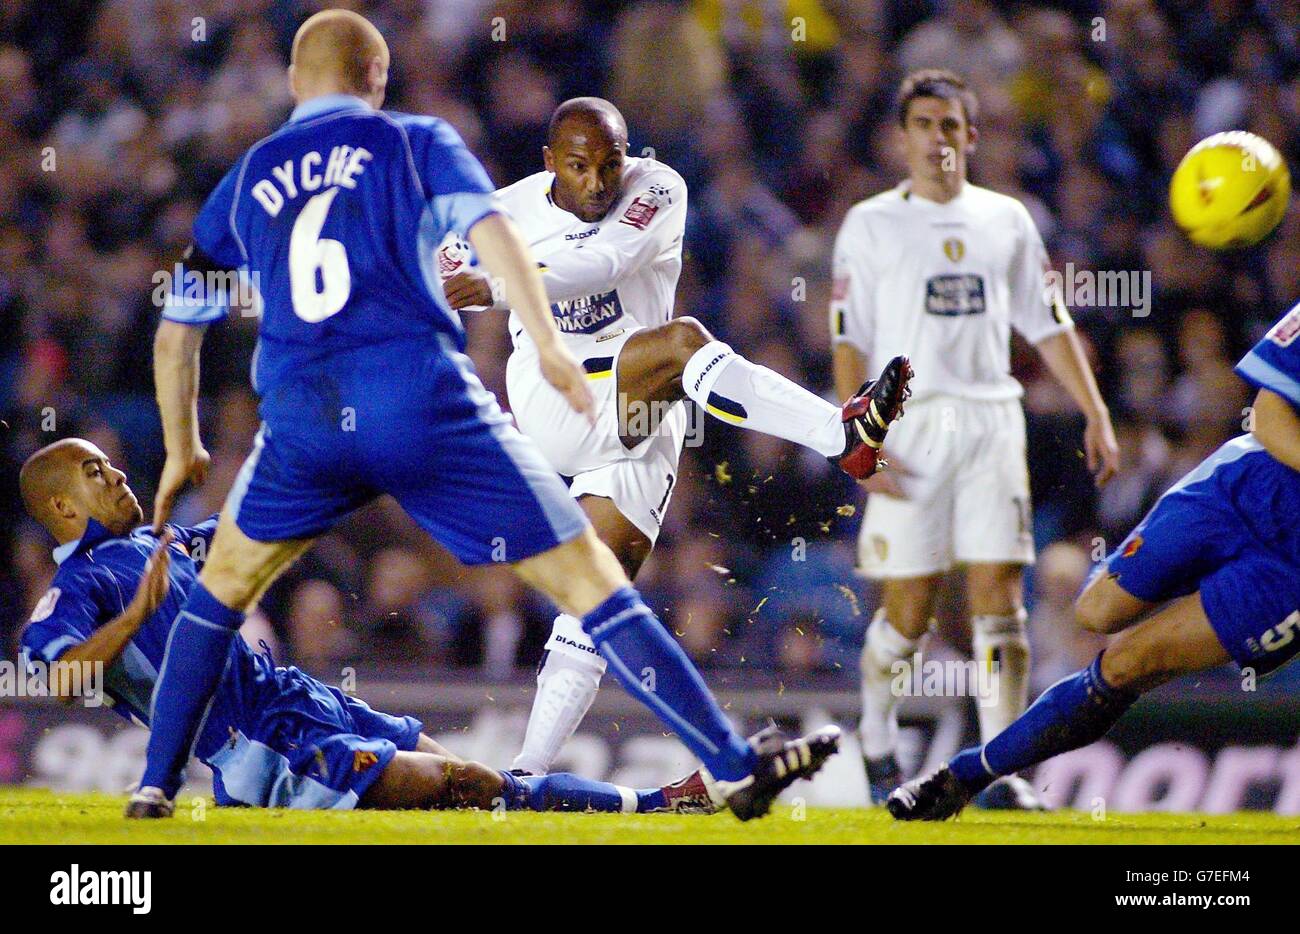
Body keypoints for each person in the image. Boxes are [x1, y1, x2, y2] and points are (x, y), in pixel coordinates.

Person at [133, 8, 838, 820]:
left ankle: (153, 783)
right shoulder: (417, 142)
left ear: (295, 83)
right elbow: (496, 240)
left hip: (304, 414)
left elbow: (179, 321)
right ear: (377, 81)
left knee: (218, 596)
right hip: (419, 401)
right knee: (592, 585)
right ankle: (732, 762)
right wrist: (545, 342)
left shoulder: (249, 174)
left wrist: (183, 442)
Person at [439, 96, 913, 777]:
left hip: (643, 416)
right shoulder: (499, 211)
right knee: (681, 343)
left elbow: (603, 263)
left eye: (609, 165)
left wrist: (495, 282)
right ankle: (843, 436)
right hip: (558, 402)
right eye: (578, 168)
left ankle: (526, 775)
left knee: (594, 597)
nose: (598, 184)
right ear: (549, 163)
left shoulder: (658, 188)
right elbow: (434, 272)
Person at [17, 438, 720, 814]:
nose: (115, 475)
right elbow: (55, 676)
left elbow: (251, 526)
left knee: (484, 790)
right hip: (266, 746)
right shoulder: (80, 584)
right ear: (62, 507)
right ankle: (654, 808)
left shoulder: (154, 546)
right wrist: (138, 613)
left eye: (108, 465)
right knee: (467, 786)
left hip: (302, 697)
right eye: (93, 472)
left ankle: (655, 806)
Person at [828, 69, 1121, 807]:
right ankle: (875, 734)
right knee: (910, 613)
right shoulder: (867, 224)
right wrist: (855, 437)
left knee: (1001, 599)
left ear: (972, 136)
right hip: (909, 424)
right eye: (924, 124)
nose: (937, 138)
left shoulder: (1008, 220)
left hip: (993, 418)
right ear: (902, 138)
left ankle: (1003, 772)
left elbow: (1049, 324)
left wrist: (1096, 411)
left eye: (951, 125)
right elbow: (847, 341)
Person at [888, 302, 1300, 820]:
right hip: (1244, 487)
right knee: (1097, 612)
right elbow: (1269, 412)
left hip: (1291, 575)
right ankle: (1073, 715)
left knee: (1129, 663)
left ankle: (965, 775)